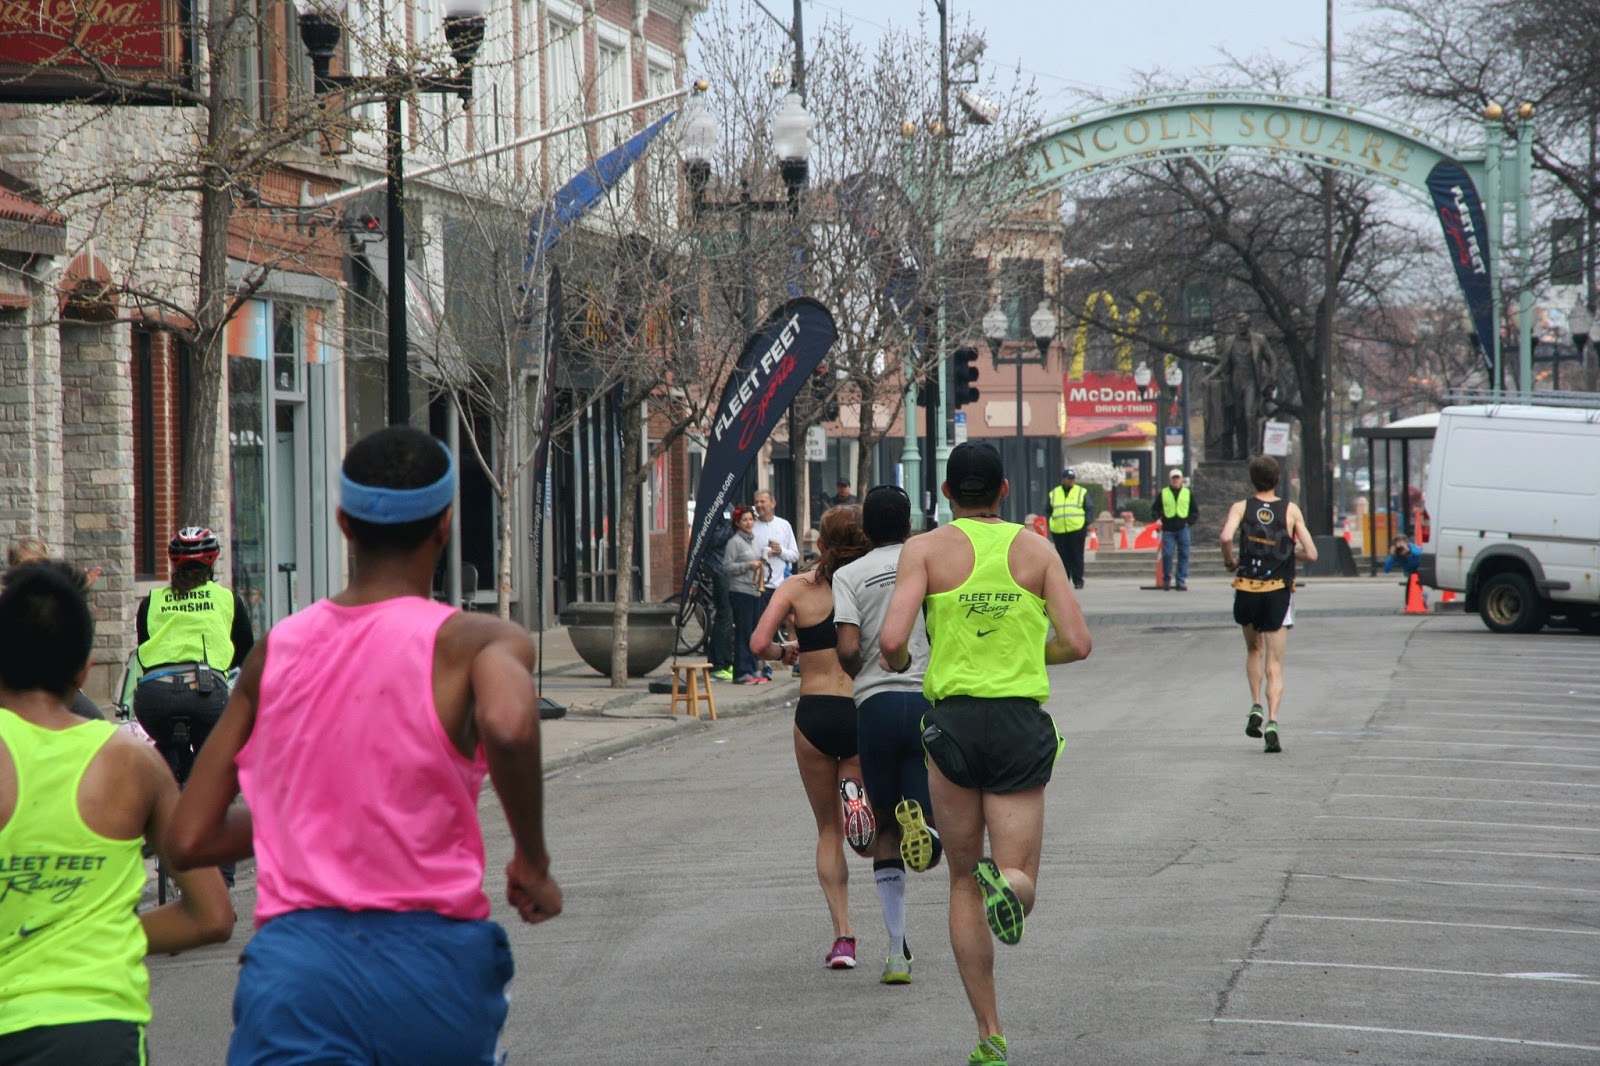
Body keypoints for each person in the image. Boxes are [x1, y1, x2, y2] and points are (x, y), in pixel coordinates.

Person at [165, 426, 562, 1065]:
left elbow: (187, 838)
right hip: (431, 969)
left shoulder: (277, 653)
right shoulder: (477, 643)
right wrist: (532, 863)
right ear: (445, 526)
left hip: (297, 973)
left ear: (344, 523)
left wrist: (310, 819)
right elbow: (512, 725)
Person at [882, 441, 1092, 1066]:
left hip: (952, 725)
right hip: (1018, 721)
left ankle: (989, 1034)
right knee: (1015, 876)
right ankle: (1012, 884)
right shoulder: (1037, 549)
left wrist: (900, 660)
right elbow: (1078, 643)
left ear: (946, 495)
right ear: (1006, 490)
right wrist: (1029, 653)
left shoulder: (924, 550)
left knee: (962, 881)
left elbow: (892, 640)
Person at [0, 560, 233, 1066]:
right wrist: (97, 934)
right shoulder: (133, 764)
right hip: (101, 1031)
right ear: (85, 668)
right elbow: (214, 916)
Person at [750, 505, 873, 971]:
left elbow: (759, 644)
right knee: (868, 828)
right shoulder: (871, 585)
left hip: (815, 712)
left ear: (820, 545)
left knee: (827, 831)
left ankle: (843, 938)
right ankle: (862, 804)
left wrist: (788, 651)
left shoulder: (797, 588)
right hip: (860, 708)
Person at [834, 484, 943, 986]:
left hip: (874, 704)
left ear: (865, 529)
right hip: (924, 698)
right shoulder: (929, 562)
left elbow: (849, 647)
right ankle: (930, 826)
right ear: (908, 524)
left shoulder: (847, 575)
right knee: (927, 801)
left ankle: (897, 953)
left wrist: (857, 670)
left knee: (883, 830)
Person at [1219, 455, 1318, 754]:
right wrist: (1288, 553)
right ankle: (1273, 720)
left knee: (1253, 650)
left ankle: (1256, 705)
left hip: (1247, 588)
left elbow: (1225, 536)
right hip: (1278, 591)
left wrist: (1230, 562)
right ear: (1278, 480)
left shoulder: (1240, 508)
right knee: (1275, 663)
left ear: (1252, 480)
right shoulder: (1290, 511)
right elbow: (1312, 553)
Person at [4, 536, 105, 720]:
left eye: (41, 566)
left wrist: (76, 598)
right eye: (27, 567)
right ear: (15, 568)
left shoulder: (55, 600)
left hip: (52, 688)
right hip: (13, 690)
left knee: (94, 718)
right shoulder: (7, 601)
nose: (35, 575)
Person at [752, 490, 800, 677]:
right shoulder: (752, 526)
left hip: (782, 583)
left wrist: (781, 551)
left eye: (763, 501)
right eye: (757, 502)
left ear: (773, 503)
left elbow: (794, 555)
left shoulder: (784, 525)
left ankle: (794, 660)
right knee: (765, 625)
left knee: (792, 622)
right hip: (761, 584)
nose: (759, 505)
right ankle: (767, 665)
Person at [722, 506, 768, 685]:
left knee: (753, 632)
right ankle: (741, 671)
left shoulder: (754, 540)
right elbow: (727, 567)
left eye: (751, 519)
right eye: (745, 520)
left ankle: (752, 667)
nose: (749, 523)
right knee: (743, 632)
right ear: (737, 523)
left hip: (755, 590)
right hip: (741, 591)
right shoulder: (734, 542)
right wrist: (747, 566)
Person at [702, 510, 737, 682]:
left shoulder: (728, 506)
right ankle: (717, 664)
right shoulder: (714, 506)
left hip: (730, 569)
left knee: (728, 618)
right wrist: (732, 529)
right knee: (724, 616)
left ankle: (727, 660)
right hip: (718, 569)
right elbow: (711, 538)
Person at [1045, 467, 1090, 590]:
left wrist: (1086, 523)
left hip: (1077, 529)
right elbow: (1048, 510)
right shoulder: (1054, 493)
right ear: (1063, 479)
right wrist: (1051, 523)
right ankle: (1064, 582)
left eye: (1072, 479)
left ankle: (1078, 581)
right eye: (1068, 479)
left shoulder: (1081, 492)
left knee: (1076, 556)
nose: (1071, 481)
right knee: (1062, 557)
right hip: (1059, 530)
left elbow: (1089, 508)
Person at [1157, 469, 1197, 591]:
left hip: (1183, 529)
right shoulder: (1163, 493)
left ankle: (1180, 580)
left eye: (1177, 478)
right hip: (1168, 529)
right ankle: (1167, 579)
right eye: (1173, 478)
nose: (1175, 480)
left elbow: (1194, 511)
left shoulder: (1188, 493)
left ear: (1181, 479)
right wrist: (1158, 519)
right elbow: (1155, 509)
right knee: (1168, 554)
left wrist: (1188, 522)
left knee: (1184, 554)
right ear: (1170, 480)